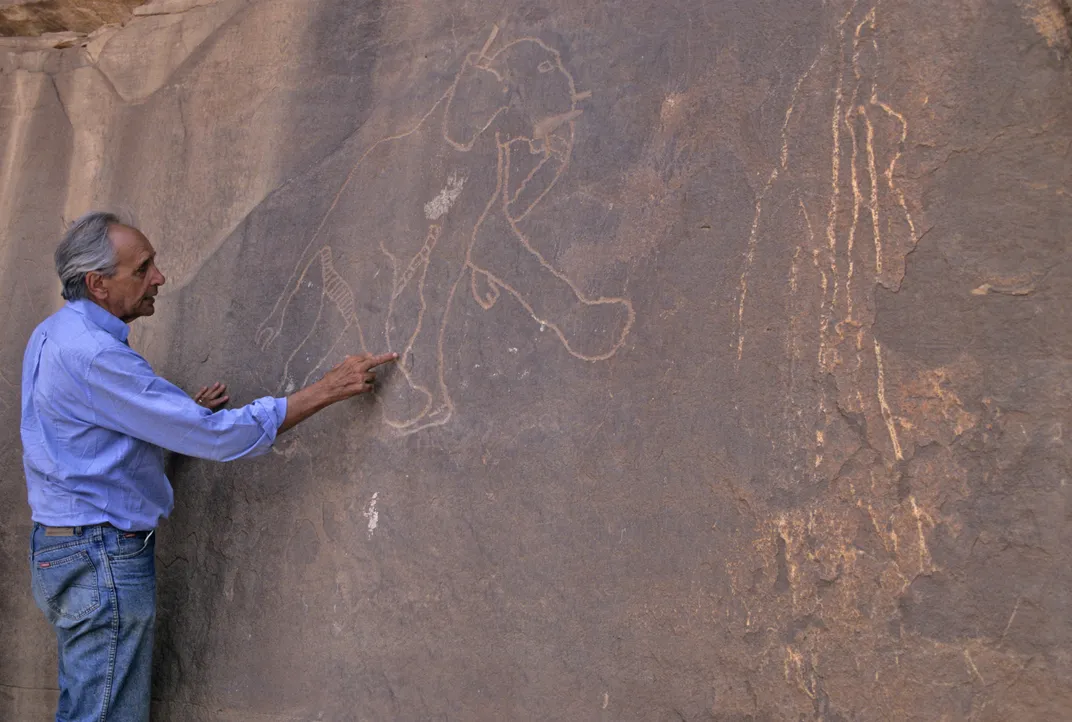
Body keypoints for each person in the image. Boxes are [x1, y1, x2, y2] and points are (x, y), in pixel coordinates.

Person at [21, 211, 396, 722]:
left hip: (68, 550)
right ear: (98, 284)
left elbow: (83, 446)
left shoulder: (55, 334)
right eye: (143, 268)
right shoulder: (95, 357)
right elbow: (216, 440)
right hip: (100, 557)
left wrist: (171, 421)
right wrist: (323, 391)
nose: (159, 277)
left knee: (90, 708)